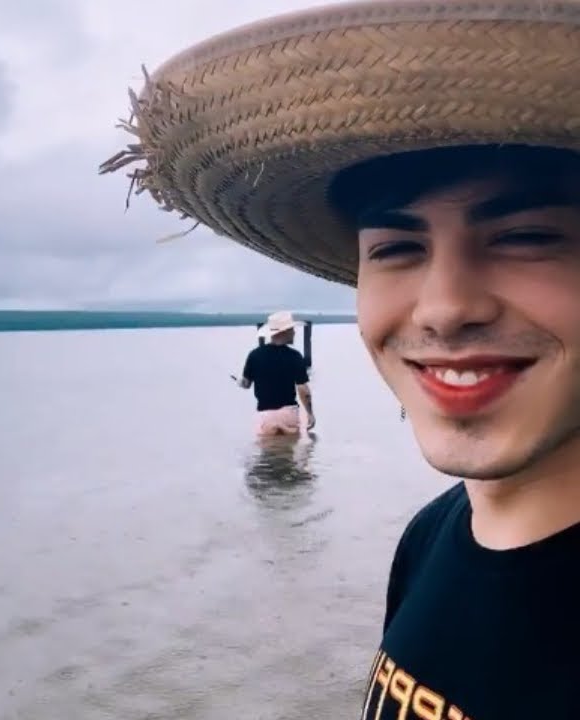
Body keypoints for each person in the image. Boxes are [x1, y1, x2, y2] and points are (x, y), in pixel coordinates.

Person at [101, 1, 580, 716]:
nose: (444, 307)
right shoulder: (428, 537)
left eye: (526, 237)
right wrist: (313, 420)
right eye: (394, 248)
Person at [238, 310, 314, 436]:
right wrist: (310, 413)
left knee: (268, 454)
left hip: (265, 415)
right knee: (288, 453)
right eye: (292, 329)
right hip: (289, 414)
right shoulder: (295, 356)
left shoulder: (254, 355)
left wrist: (240, 382)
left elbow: (246, 384)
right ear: (284, 331)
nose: (294, 332)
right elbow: (303, 388)